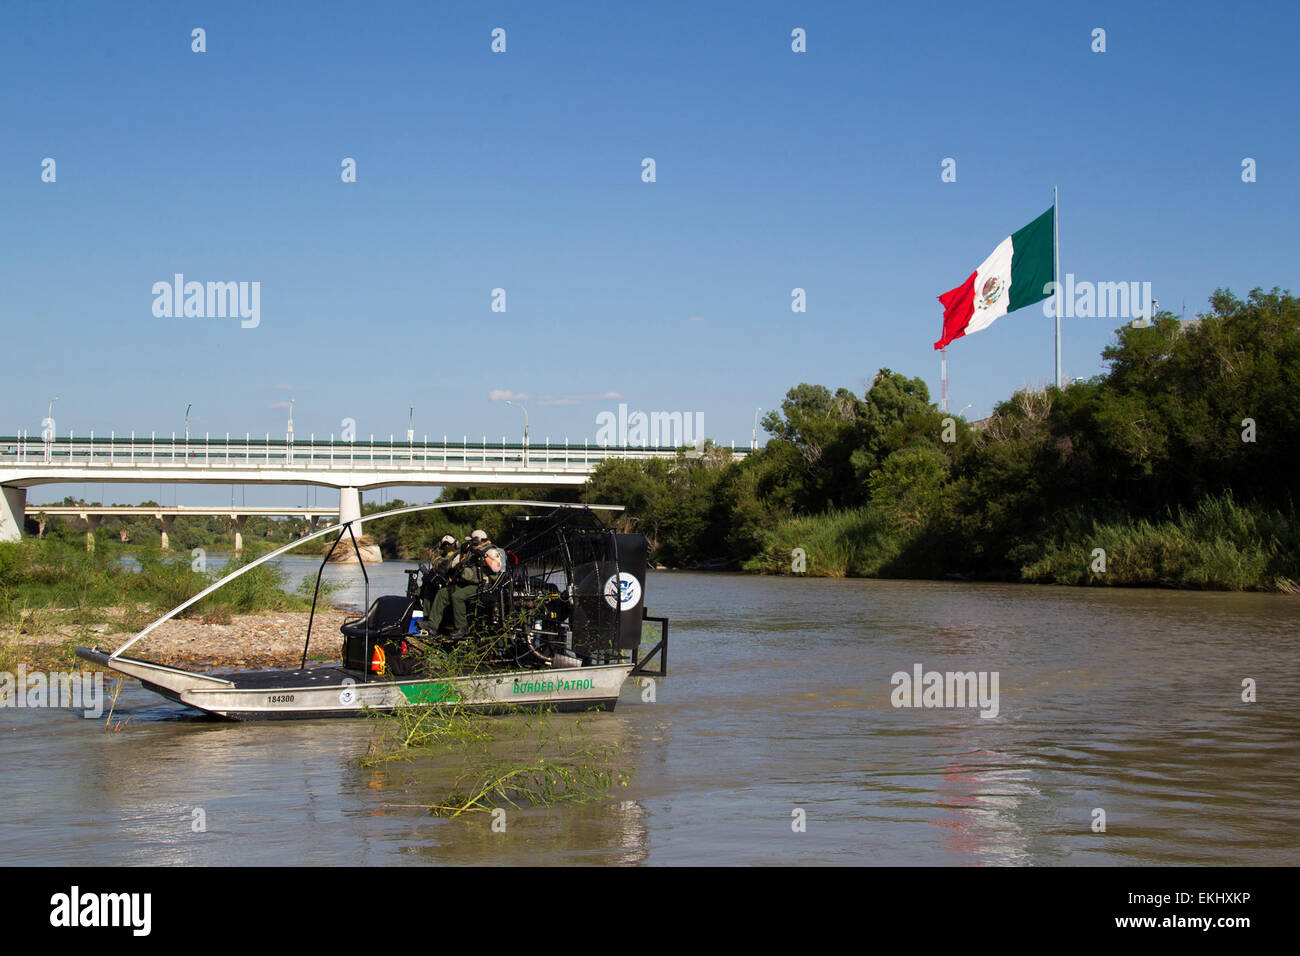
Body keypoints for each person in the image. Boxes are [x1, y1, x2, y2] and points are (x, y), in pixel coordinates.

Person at [423, 534, 459, 624]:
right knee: (423, 589)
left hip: (447, 583)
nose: (447, 546)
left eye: (449, 544)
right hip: (435, 581)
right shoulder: (437, 558)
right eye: (445, 544)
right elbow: (432, 570)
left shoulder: (456, 556)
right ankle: (425, 617)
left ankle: (431, 621)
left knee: (433, 591)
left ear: (454, 545)